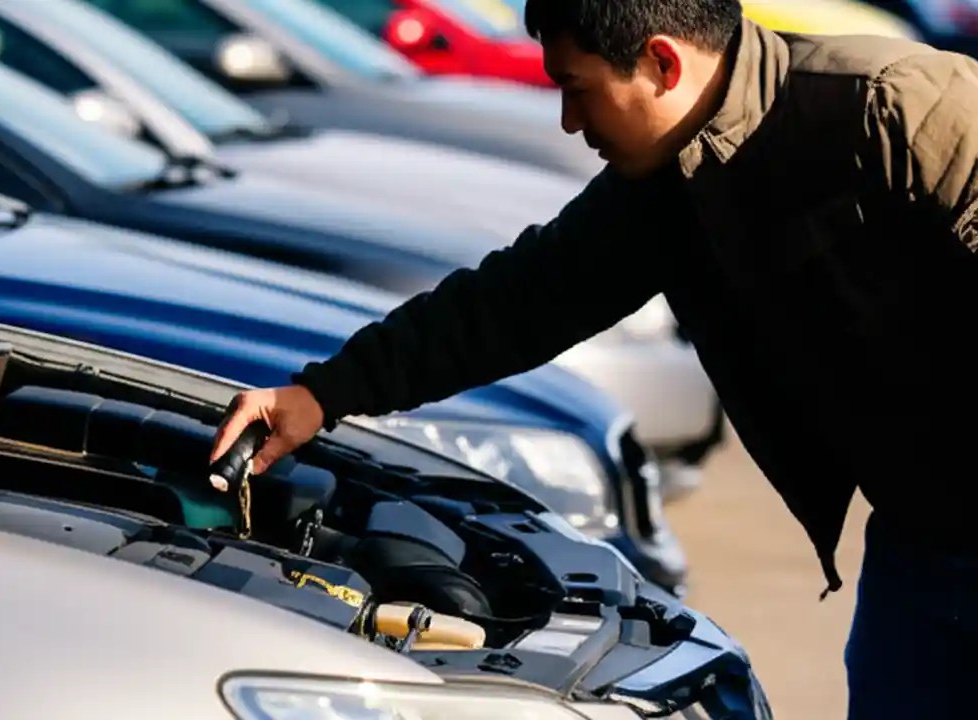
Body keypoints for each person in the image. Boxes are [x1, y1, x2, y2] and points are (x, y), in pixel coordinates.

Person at [209, 0, 978, 716]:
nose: (572, 121)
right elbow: (512, 303)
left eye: (578, 88)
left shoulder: (900, 107)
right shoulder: (666, 185)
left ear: (662, 63)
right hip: (923, 549)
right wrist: (318, 396)